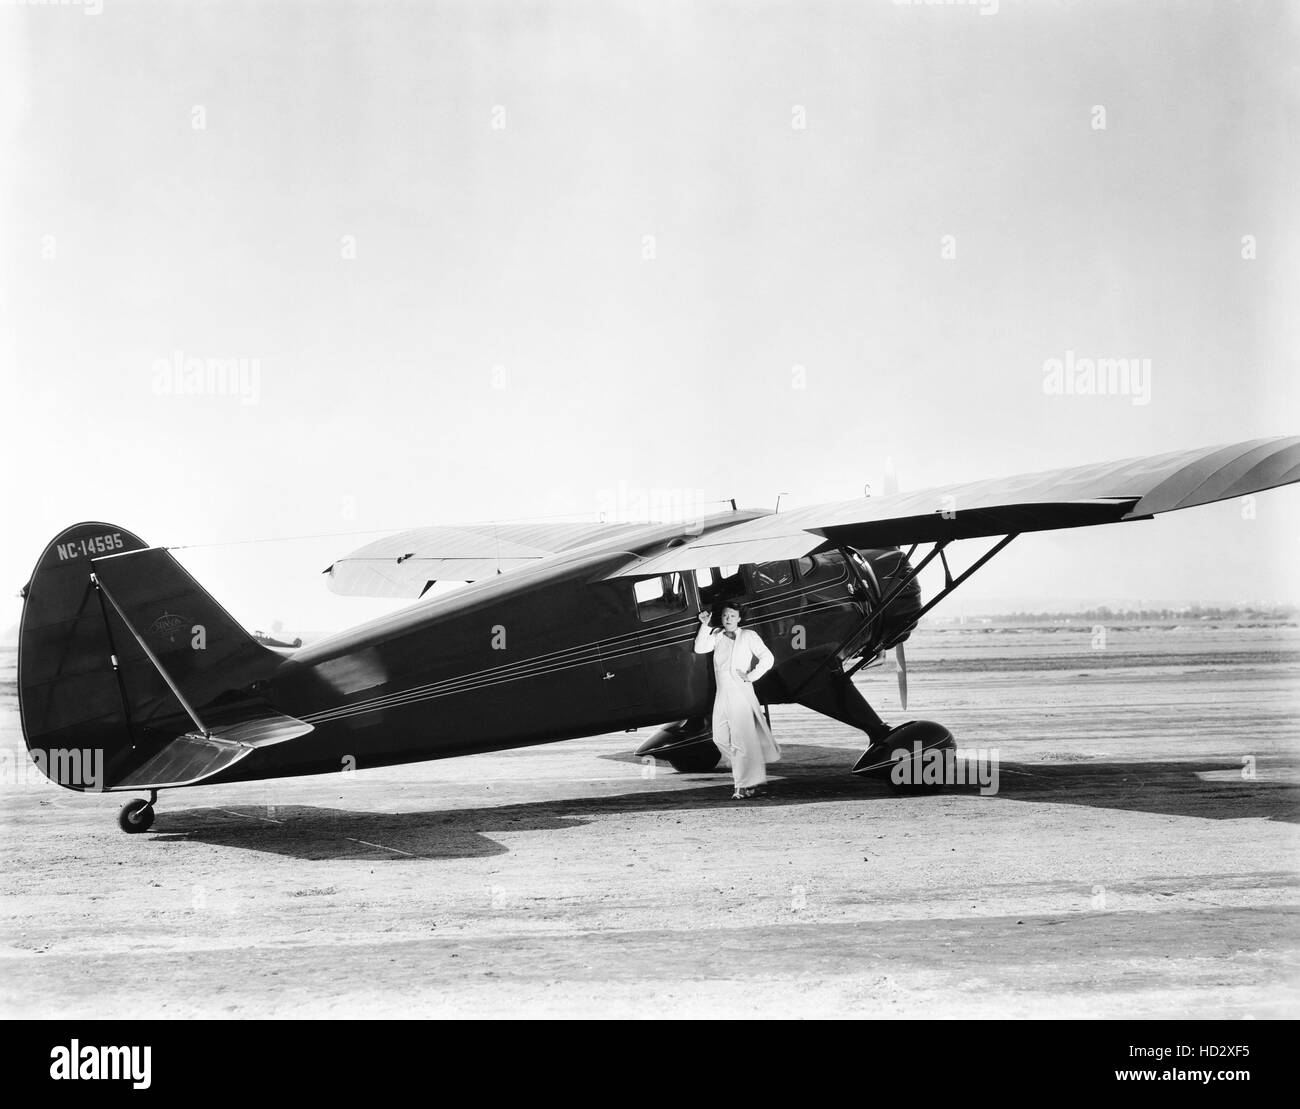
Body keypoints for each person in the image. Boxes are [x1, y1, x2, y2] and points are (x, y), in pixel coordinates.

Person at [694, 601, 780, 799]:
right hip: (722, 694)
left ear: (739, 618)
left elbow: (768, 658)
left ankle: (740, 787)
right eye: (725, 616)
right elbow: (699, 648)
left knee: (741, 741)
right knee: (720, 738)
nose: (728, 619)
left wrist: (751, 676)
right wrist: (704, 625)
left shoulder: (749, 635)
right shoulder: (716, 635)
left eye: (732, 616)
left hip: (741, 692)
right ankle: (752, 777)